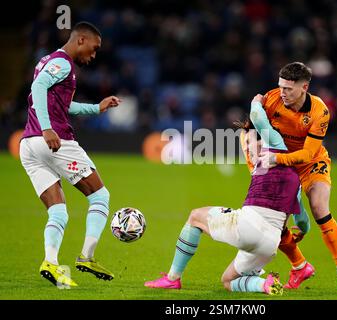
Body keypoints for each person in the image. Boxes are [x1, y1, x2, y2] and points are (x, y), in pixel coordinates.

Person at [144, 100, 303, 295]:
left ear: (264, 140)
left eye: (250, 142)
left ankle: (172, 279)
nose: (248, 149)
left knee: (195, 217)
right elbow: (302, 219)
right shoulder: (296, 177)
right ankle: (265, 285)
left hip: (249, 226)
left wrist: (256, 102)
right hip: (270, 244)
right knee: (228, 281)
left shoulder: (272, 150)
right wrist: (302, 230)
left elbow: (258, 117)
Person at [19, 22, 121, 287]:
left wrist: (96, 109)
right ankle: (86, 256)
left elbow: (62, 103)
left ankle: (50, 263)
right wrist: (47, 128)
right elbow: (38, 89)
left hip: (28, 146)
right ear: (81, 40)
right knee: (100, 196)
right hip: (55, 142)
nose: (94, 54)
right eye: (94, 48)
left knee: (59, 211)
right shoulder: (63, 63)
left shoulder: (47, 60)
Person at [257, 62, 337, 294]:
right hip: (282, 167)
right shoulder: (271, 100)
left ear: (304, 87)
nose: (283, 93)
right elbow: (250, 130)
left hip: (311, 163)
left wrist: (276, 160)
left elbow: (309, 154)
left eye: (289, 89)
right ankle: (299, 266)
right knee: (275, 223)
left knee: (320, 207)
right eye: (281, 87)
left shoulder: (319, 111)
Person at [239, 102, 315, 290]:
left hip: (280, 189)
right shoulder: (248, 141)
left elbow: (296, 199)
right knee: (272, 228)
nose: (248, 148)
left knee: (264, 227)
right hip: (267, 183)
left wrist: (304, 225)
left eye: (252, 143)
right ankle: (300, 266)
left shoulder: (279, 156)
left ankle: (256, 271)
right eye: (247, 143)